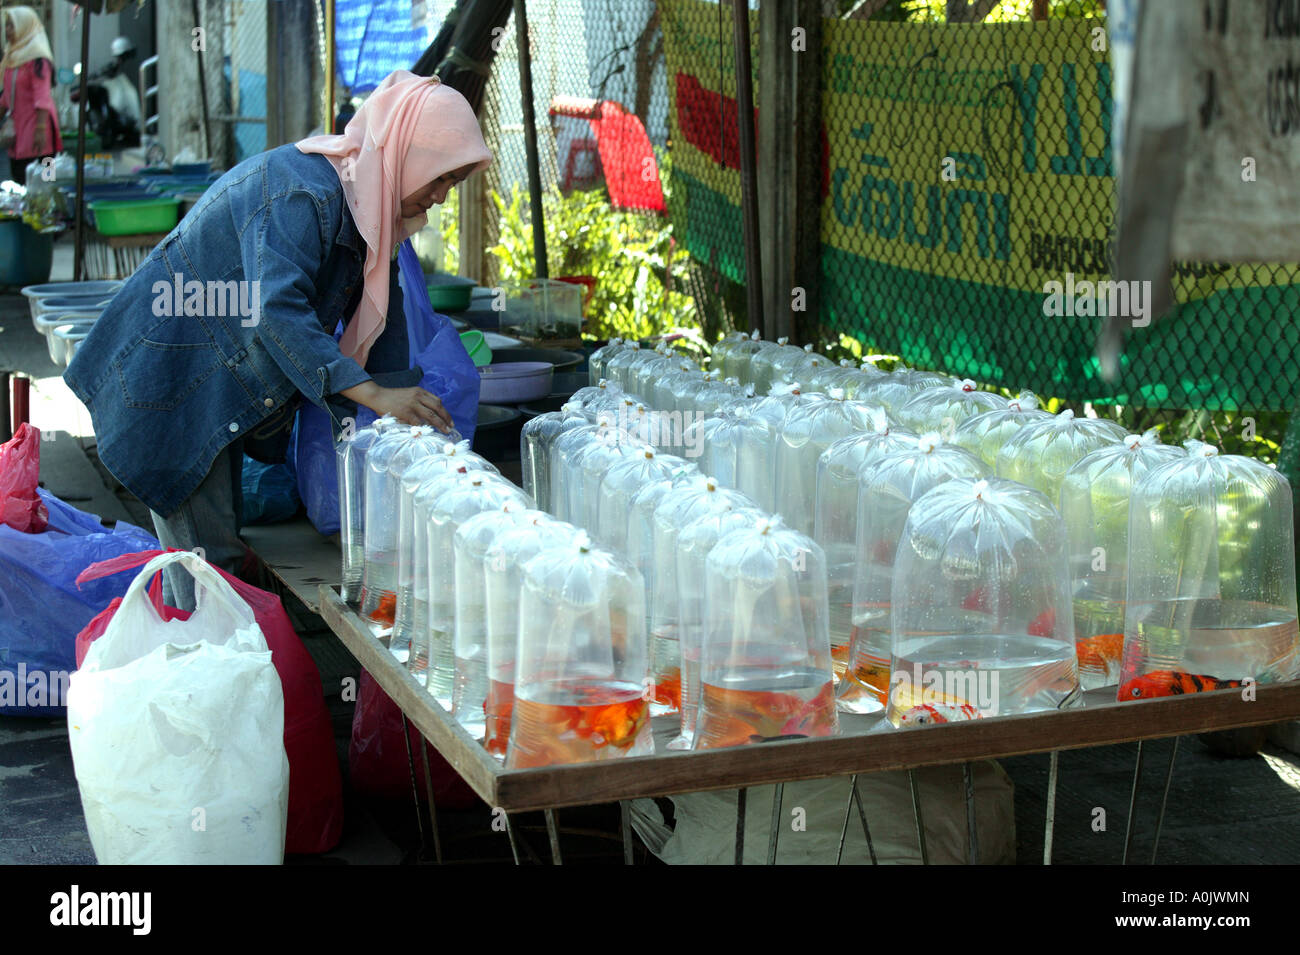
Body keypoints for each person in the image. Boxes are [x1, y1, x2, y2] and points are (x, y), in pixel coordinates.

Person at [65, 70, 491, 609]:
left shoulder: (364, 203)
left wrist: (408, 424)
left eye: (451, 185)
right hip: (173, 381)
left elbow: (387, 318)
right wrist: (376, 396)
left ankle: (218, 673)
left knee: (213, 564)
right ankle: (204, 682)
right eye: (440, 180)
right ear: (408, 154)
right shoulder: (303, 194)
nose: (442, 199)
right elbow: (275, 310)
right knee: (207, 576)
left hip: (215, 379)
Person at [0, 6, 62, 185]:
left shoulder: (38, 59)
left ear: (25, 26)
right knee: (21, 179)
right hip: (18, 133)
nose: (8, 31)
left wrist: (40, 129)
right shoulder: (12, 58)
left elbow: (42, 96)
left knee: (48, 181)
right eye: (7, 26)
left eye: (12, 26)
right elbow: (7, 97)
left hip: (41, 132)